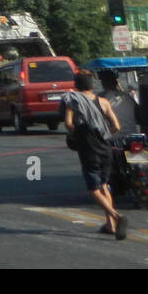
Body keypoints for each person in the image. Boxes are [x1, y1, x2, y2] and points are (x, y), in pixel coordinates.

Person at [62, 70, 126, 240]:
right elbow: (116, 126)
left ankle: (116, 216)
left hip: (89, 150)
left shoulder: (73, 101)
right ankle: (110, 226)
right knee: (104, 185)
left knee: (93, 189)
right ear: (92, 85)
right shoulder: (103, 102)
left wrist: (78, 135)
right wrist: (102, 135)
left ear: (76, 84)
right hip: (105, 149)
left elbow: (68, 124)